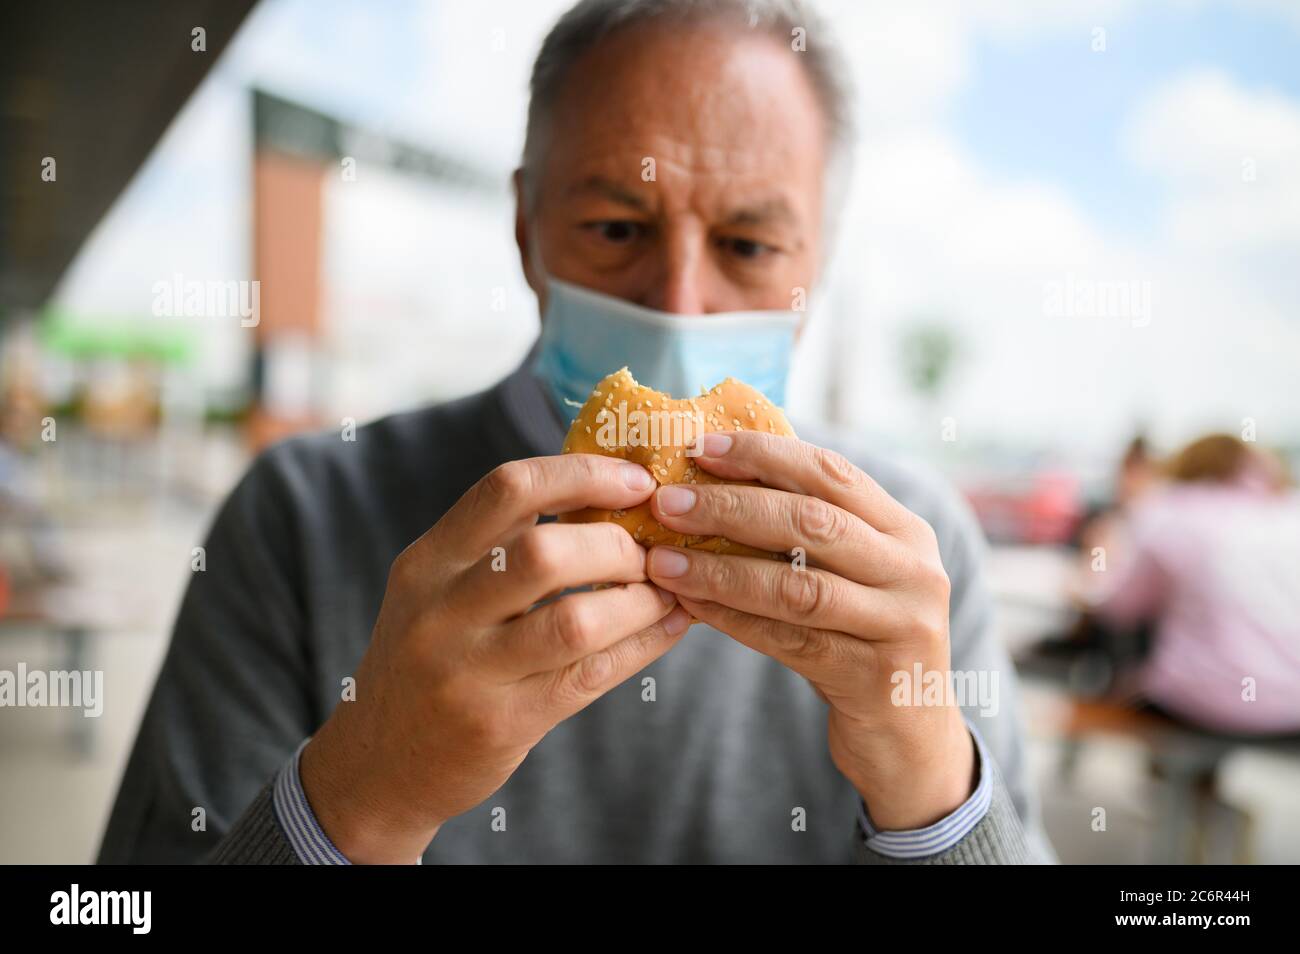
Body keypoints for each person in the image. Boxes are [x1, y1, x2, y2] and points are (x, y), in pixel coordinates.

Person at [97, 0, 1052, 864]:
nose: (680, 301)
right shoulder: (303, 515)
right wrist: (360, 795)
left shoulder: (911, 556)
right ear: (526, 226)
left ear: (820, 263)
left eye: (750, 246)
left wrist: (934, 792)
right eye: (615, 227)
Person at [1089, 434, 1300, 735]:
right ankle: (1198, 778)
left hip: (1206, 703)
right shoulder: (1287, 513)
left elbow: (1118, 609)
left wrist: (1097, 565)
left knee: (1136, 672)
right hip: (1292, 708)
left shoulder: (1170, 511)